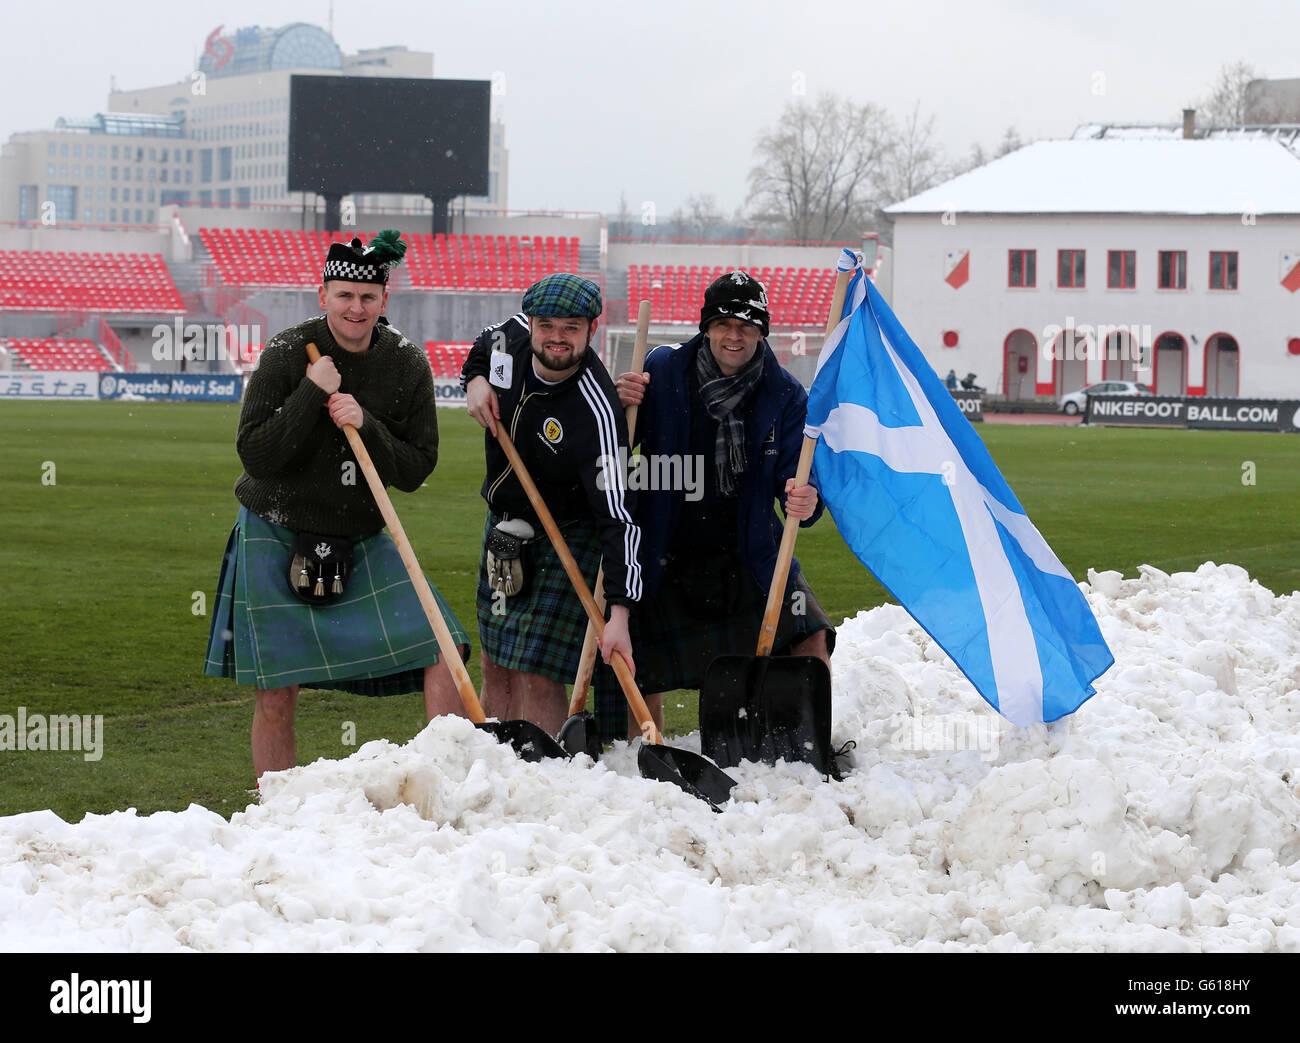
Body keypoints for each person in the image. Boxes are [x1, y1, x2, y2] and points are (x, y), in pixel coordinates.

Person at [204, 231, 469, 781]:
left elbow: (417, 468)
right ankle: (275, 808)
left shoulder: (406, 365)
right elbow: (256, 455)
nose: (356, 307)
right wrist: (310, 393)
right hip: (274, 529)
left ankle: (446, 785)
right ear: (322, 294)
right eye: (345, 295)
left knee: (446, 649)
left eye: (368, 297)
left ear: (384, 302)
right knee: (276, 694)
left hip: (364, 535)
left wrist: (365, 423)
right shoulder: (285, 353)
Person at [616, 269, 835, 734]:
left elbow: (797, 472)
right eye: (724, 324)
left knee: (811, 635)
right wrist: (622, 405)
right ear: (706, 327)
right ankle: (644, 753)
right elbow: (617, 446)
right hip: (663, 547)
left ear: (762, 332)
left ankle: (811, 742)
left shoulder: (784, 393)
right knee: (636, 653)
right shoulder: (662, 368)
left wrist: (806, 496)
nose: (734, 336)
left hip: (749, 550)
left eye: (747, 326)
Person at [462, 273, 639, 738]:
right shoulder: (511, 338)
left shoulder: (597, 413)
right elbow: (483, 347)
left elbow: (618, 517)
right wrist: (475, 381)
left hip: (567, 531)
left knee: (538, 669)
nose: (557, 338)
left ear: (592, 330)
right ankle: (491, 763)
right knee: (496, 661)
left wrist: (619, 612)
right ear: (532, 323)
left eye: (571, 328)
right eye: (548, 326)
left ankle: (546, 771)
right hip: (502, 521)